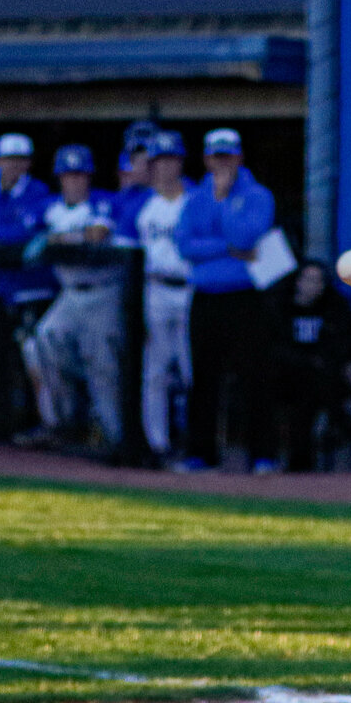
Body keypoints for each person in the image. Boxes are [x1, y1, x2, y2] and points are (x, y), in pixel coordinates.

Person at [174, 128, 280, 474]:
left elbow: (248, 235)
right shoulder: (193, 198)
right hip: (205, 296)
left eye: (229, 156)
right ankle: (200, 454)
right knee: (203, 378)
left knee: (255, 377)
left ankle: (262, 454)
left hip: (244, 296)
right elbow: (186, 246)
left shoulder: (258, 195)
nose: (223, 163)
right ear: (206, 159)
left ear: (239, 157)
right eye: (216, 157)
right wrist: (228, 249)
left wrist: (222, 207)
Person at [22, 144, 129, 453]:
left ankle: (114, 436)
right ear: (60, 178)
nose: (74, 181)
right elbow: (22, 229)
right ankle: (63, 423)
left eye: (80, 175)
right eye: (68, 175)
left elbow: (97, 234)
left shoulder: (103, 203)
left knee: (103, 365)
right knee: (43, 340)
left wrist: (57, 238)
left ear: (89, 176)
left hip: (103, 291)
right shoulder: (50, 207)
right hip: (69, 294)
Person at [0, 133, 57, 440]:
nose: (14, 166)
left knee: (31, 361)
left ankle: (33, 423)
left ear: (28, 162)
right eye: (8, 159)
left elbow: (29, 231)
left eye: (20, 160)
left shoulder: (38, 190)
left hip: (31, 289)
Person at [127, 130, 195, 461]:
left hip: (189, 289)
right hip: (154, 288)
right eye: (159, 161)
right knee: (154, 371)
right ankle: (158, 444)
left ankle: (191, 441)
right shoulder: (140, 203)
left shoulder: (196, 199)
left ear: (181, 162)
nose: (165, 167)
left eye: (171, 160)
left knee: (189, 368)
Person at [269, 261, 351, 472]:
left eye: (318, 280)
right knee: (310, 380)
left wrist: (334, 357)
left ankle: (301, 463)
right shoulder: (280, 309)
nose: (313, 285)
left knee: (311, 389)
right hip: (285, 379)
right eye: (308, 279)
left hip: (321, 380)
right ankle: (341, 420)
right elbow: (272, 347)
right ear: (298, 282)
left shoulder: (334, 308)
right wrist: (306, 361)